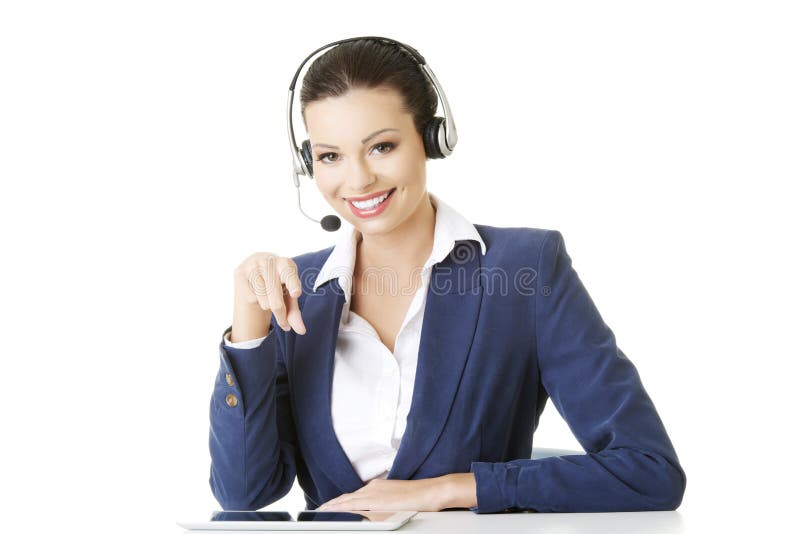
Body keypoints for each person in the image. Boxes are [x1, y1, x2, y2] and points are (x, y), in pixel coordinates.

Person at [208, 37, 686, 514]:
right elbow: (243, 493)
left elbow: (647, 470)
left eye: (381, 146)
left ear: (431, 139)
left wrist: (447, 490)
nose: (357, 181)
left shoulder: (524, 269)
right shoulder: (297, 291)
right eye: (330, 156)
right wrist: (249, 328)